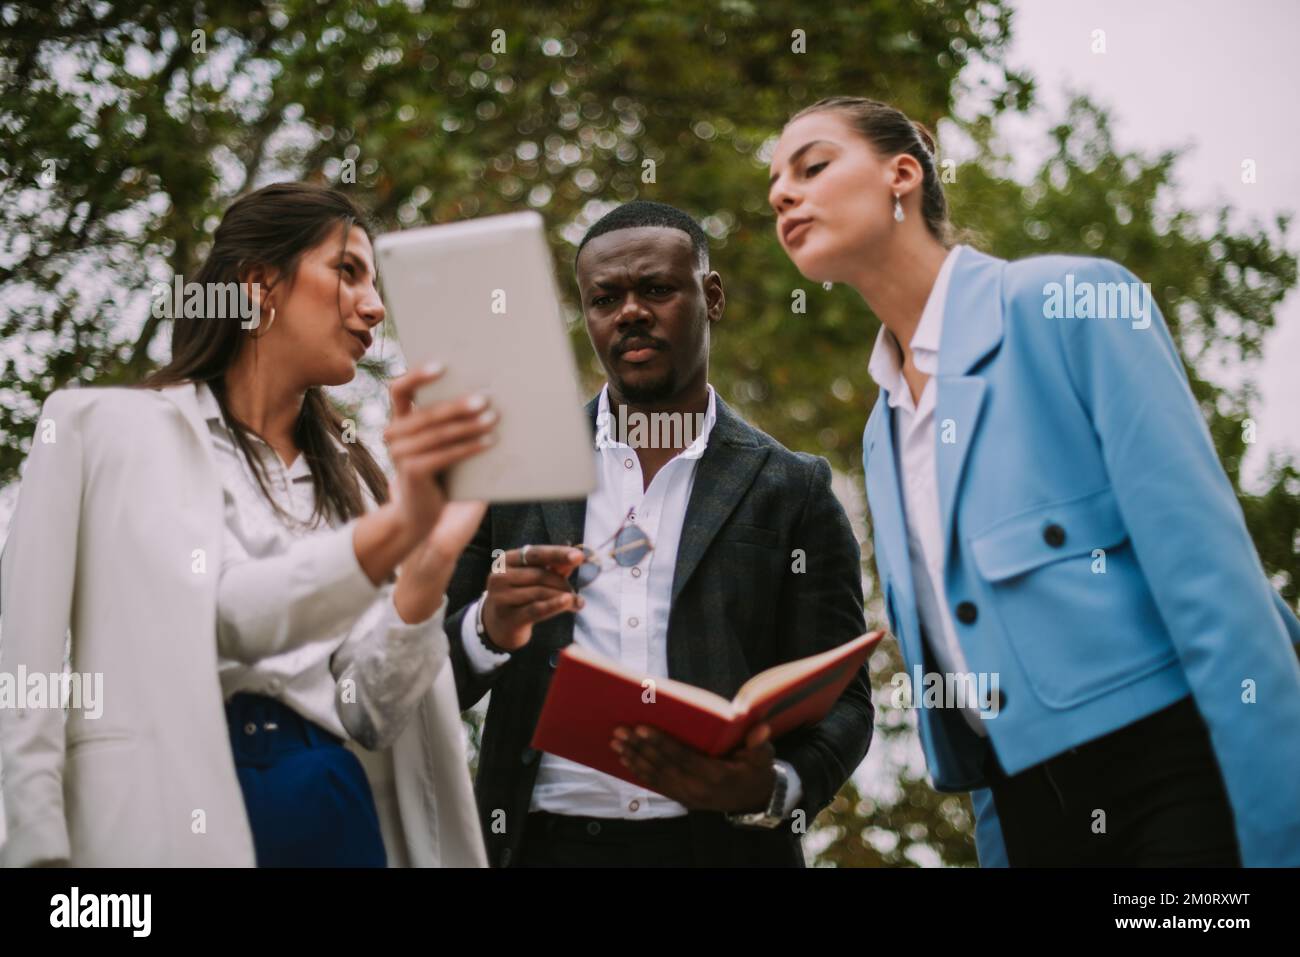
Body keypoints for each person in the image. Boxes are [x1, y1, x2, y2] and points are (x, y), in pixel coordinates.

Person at [767, 95, 1300, 866]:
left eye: (812, 166)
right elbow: (970, 679)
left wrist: (1280, 832)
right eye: (775, 184)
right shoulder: (881, 433)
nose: (784, 192)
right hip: (1027, 808)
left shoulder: (1072, 304)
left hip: (1175, 777)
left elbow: (1215, 584)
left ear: (902, 174)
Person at [0, 182, 492, 867]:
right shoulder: (97, 429)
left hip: (330, 808)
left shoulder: (362, 491)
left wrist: (433, 555)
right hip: (151, 814)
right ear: (260, 284)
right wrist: (34, 844)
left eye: (374, 284)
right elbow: (25, 659)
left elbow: (370, 709)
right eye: (347, 271)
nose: (375, 308)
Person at [443, 201, 875, 867]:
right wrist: (486, 630)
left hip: (722, 848)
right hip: (538, 846)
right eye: (604, 297)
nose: (630, 312)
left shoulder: (795, 488)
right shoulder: (511, 471)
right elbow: (420, 672)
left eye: (656, 289)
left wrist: (772, 786)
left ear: (712, 297)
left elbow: (846, 700)